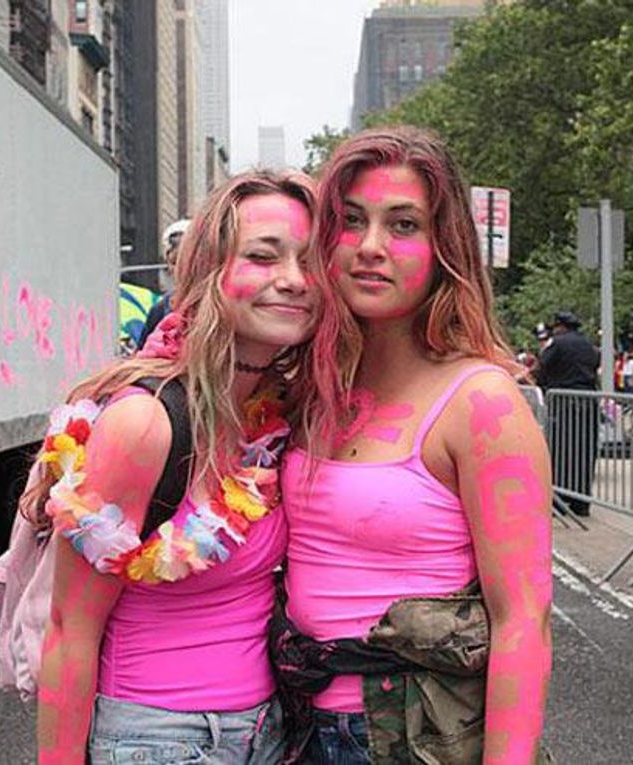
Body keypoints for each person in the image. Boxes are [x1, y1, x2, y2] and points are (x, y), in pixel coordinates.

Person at [33, 170, 341, 765]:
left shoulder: (273, 411)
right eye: (262, 255)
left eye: (311, 261)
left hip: (268, 734)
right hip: (159, 741)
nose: (294, 280)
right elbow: (70, 632)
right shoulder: (144, 423)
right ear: (208, 271)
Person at [275, 127, 553, 764]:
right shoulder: (309, 386)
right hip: (290, 728)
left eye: (403, 225)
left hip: (414, 740)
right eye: (350, 220)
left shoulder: (481, 403)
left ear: (443, 246)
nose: (371, 247)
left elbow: (523, 621)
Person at [536, 311, 599, 517]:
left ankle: (560, 499)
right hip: (588, 402)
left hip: (564, 404)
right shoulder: (588, 345)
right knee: (584, 451)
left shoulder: (559, 343)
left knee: (562, 450)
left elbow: (544, 364)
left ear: (560, 326)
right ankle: (581, 502)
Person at [136, 219, 191, 351]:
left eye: (189, 261)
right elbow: (141, 357)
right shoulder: (160, 310)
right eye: (175, 262)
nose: (182, 269)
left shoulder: (225, 305)